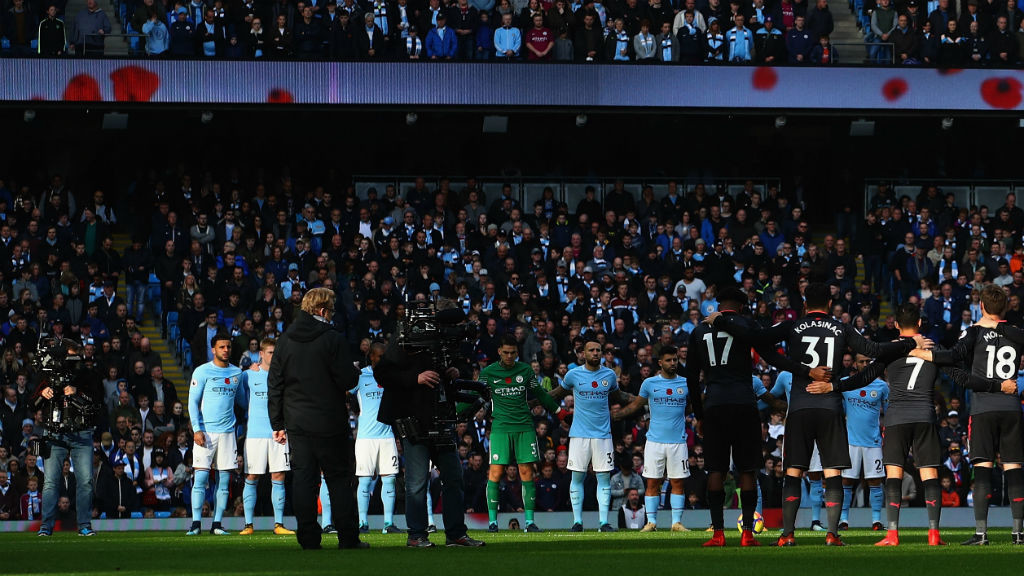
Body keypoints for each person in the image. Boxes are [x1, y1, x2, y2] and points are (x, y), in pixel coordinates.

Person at [736, 282, 926, 547]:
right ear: (828, 304)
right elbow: (874, 351)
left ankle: (788, 535)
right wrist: (907, 343)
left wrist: (800, 369)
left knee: (793, 472)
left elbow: (761, 344)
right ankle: (832, 534)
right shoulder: (841, 328)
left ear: (805, 304)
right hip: (830, 406)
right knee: (832, 472)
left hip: (800, 406)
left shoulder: (793, 325)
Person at [694, 288, 820, 547]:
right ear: (741, 307)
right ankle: (747, 533)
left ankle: (718, 533)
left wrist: (699, 414)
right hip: (743, 403)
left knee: (716, 469)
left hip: (715, 403)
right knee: (747, 469)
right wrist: (806, 370)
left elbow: (691, 378)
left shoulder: (699, 331)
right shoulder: (746, 325)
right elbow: (773, 358)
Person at [909, 284, 1024, 545]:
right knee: (1014, 468)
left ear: (981, 306)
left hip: (983, 409)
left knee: (982, 469)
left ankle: (981, 534)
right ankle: (1019, 534)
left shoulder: (973, 332)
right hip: (1011, 408)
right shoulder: (1016, 334)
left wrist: (921, 353)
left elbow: (953, 355)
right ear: (1005, 307)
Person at [374, 299, 485, 548]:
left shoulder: (446, 343)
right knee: (416, 481)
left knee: (454, 477)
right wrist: (416, 377)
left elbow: (453, 367)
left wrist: (455, 371)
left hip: (441, 415)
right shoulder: (407, 336)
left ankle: (456, 533)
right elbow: (382, 372)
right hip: (413, 416)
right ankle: (416, 535)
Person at [268, 288, 367, 550]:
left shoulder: (285, 340)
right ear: (323, 311)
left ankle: (309, 540)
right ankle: (348, 538)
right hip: (329, 421)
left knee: (303, 480)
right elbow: (348, 379)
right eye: (331, 310)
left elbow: (274, 383)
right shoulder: (332, 339)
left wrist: (277, 423)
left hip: (296, 423)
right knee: (338, 481)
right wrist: (353, 371)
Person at [478, 335, 563, 532]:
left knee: (526, 472)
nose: (509, 356)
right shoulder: (488, 372)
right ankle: (492, 522)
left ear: (517, 353)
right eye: (505, 352)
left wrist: (559, 411)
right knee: (496, 472)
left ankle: (530, 522)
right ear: (499, 351)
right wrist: (457, 412)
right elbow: (475, 394)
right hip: (500, 427)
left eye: (513, 353)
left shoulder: (525, 370)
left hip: (524, 426)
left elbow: (541, 394)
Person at [548, 338, 632, 532]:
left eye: (598, 350)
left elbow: (620, 397)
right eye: (591, 350)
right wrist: (534, 401)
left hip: (603, 435)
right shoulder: (573, 375)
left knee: (604, 479)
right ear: (583, 354)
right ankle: (577, 522)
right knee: (577, 477)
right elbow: (556, 394)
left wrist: (644, 401)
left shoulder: (609, 375)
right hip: (579, 435)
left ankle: (604, 523)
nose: (595, 353)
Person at [615, 346, 690, 533]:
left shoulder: (685, 383)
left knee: (677, 482)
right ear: (660, 363)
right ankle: (652, 522)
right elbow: (636, 405)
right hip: (655, 442)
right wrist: (616, 416)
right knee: (652, 482)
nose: (673, 363)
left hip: (678, 441)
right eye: (669, 360)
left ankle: (676, 523)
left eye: (675, 360)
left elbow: (693, 406)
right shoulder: (649, 383)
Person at [37, 340, 104, 537]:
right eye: (65, 355)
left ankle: (84, 525)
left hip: (81, 433)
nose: (68, 360)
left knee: (85, 481)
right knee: (50, 482)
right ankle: (46, 527)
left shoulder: (87, 374)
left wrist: (78, 392)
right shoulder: (48, 373)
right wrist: (41, 392)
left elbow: (98, 401)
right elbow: (32, 401)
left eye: (72, 355)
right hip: (55, 433)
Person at [186, 333, 244, 536]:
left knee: (224, 481)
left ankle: (217, 524)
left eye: (228, 347)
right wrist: (197, 429)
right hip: (206, 432)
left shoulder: (237, 373)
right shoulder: (202, 372)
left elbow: (243, 402)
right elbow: (192, 402)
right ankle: (195, 523)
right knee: (201, 477)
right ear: (213, 350)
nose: (226, 350)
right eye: (221, 347)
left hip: (228, 433)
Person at [239, 338, 295, 536]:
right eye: (271, 352)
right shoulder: (247, 375)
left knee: (279, 475)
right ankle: (248, 524)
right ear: (261, 354)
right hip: (255, 434)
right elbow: (241, 401)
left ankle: (278, 524)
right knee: (252, 476)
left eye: (276, 352)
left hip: (279, 433)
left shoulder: (283, 376)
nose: (274, 356)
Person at [350, 341, 403, 534]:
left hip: (387, 435)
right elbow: (345, 393)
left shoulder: (390, 375)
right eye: (380, 356)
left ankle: (388, 524)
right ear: (371, 356)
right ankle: (362, 523)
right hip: (365, 438)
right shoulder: (360, 376)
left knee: (389, 480)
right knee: (364, 481)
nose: (383, 359)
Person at [837, 354, 887, 531]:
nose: (865, 364)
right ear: (855, 364)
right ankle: (843, 520)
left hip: (873, 442)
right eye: (862, 362)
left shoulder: (881, 386)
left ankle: (876, 521)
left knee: (875, 481)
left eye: (868, 361)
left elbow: (888, 413)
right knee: (846, 482)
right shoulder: (844, 383)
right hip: (850, 442)